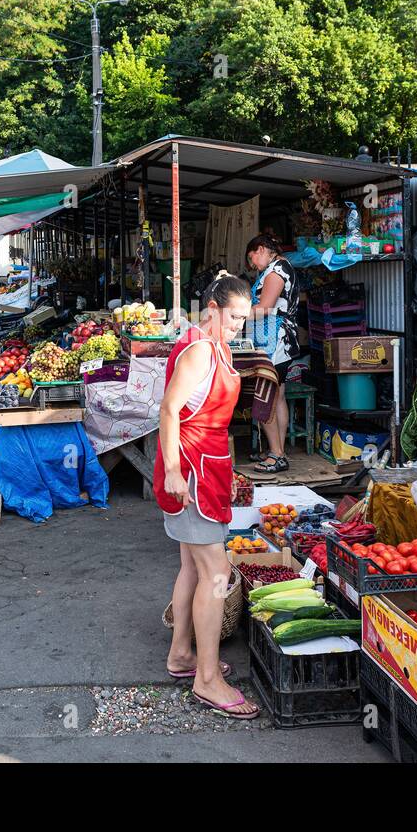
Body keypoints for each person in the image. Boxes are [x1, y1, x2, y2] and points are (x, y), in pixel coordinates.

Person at [155, 271, 259, 720]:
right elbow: (169, 410)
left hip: (208, 469)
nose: (239, 326)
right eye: (234, 317)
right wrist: (175, 471)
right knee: (216, 569)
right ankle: (208, 680)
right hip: (192, 475)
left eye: (244, 318)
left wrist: (228, 468)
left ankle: (182, 655)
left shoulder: (214, 344)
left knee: (191, 566)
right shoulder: (199, 350)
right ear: (212, 309)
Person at [245, 234, 300, 474]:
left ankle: (276, 454)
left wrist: (231, 315)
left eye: (252, 258)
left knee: (266, 396)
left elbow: (264, 307)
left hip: (274, 342)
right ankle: (278, 452)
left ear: (260, 249)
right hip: (276, 342)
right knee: (277, 396)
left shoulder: (277, 269)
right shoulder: (278, 267)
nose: (252, 265)